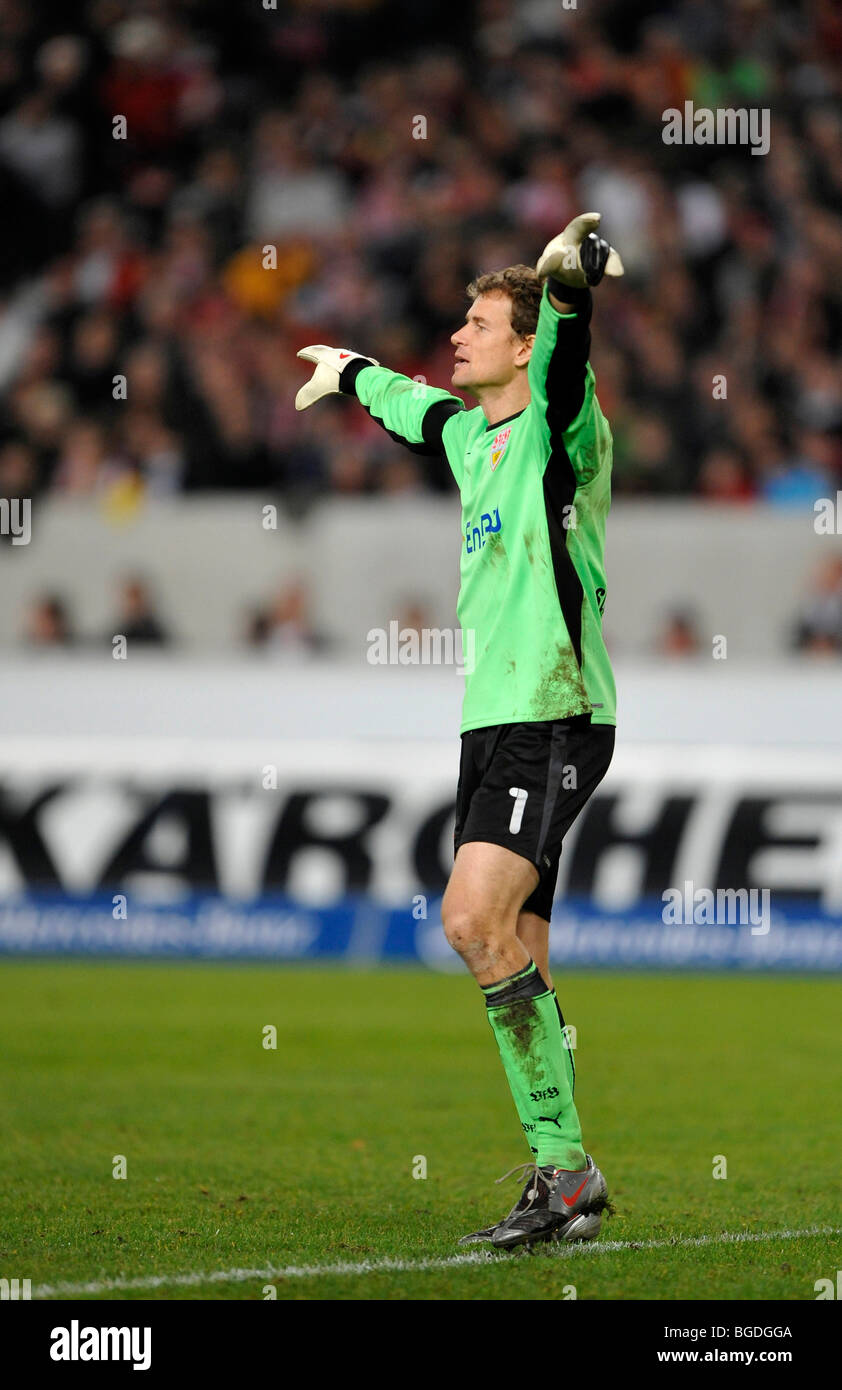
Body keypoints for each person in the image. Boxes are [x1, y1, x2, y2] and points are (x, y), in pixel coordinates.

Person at [296, 213, 621, 1250]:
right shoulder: (469, 439)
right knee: (517, 944)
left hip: (554, 711)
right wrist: (348, 371)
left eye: (478, 323)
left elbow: (565, 367)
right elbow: (412, 409)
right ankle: (563, 1172)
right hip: (492, 721)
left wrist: (565, 294)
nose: (456, 335)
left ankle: (564, 1171)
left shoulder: (559, 430)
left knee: (469, 921)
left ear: (522, 343)